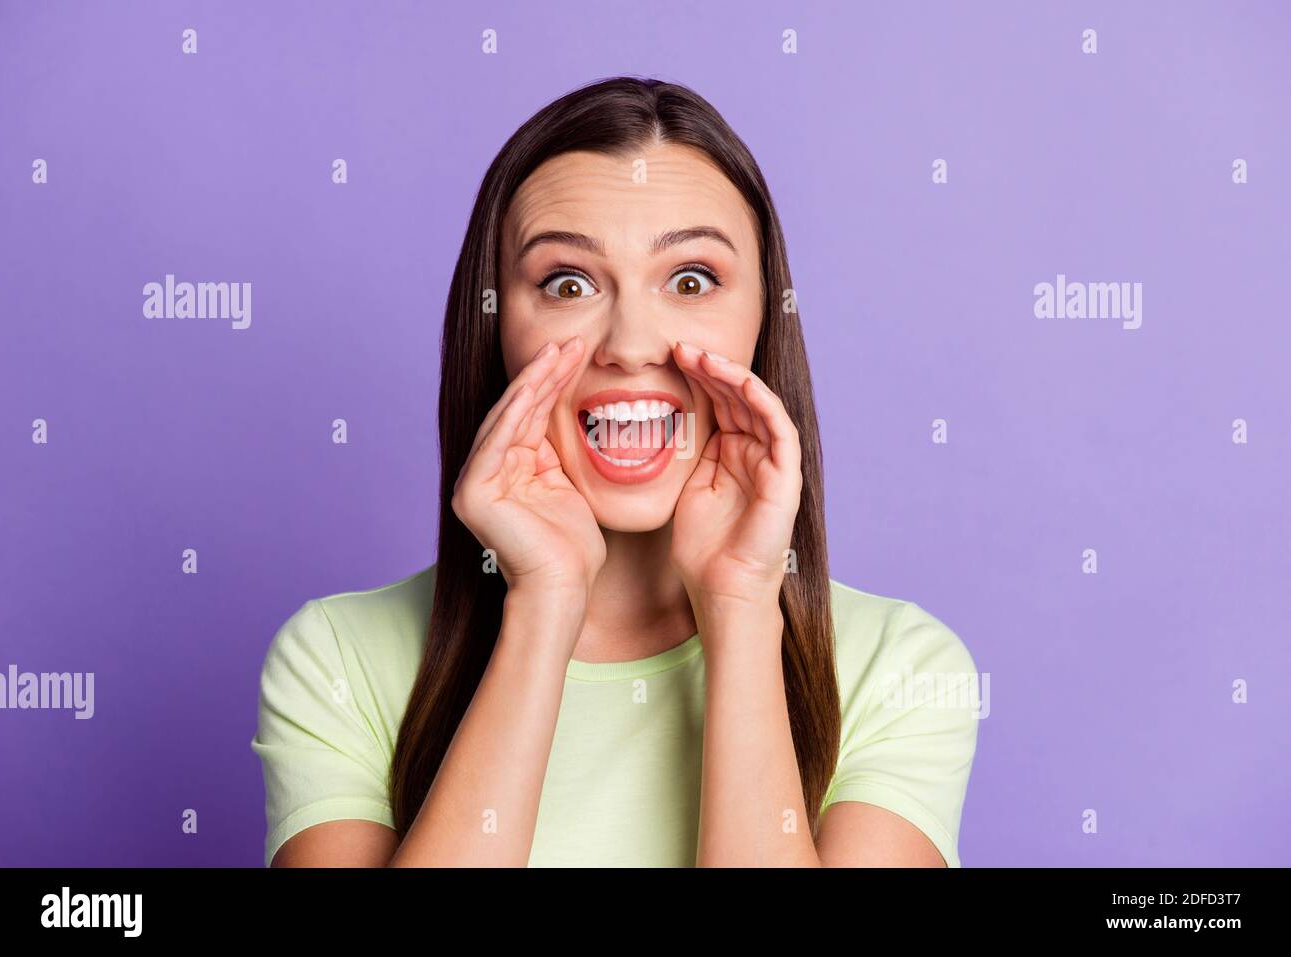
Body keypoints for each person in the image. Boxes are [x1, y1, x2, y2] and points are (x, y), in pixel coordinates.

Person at [250, 76, 980, 867]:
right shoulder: (338, 659)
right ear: (496, 328)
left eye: (691, 281)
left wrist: (740, 604)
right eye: (568, 284)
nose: (631, 343)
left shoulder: (900, 668)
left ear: (765, 321)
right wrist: (544, 603)